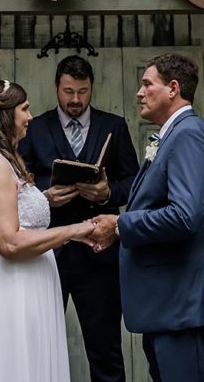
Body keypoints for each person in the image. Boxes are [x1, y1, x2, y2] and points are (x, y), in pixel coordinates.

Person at [90, 53, 204, 382]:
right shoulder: (171, 136)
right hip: (170, 305)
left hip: (187, 303)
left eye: (146, 84)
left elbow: (185, 216)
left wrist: (119, 225)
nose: (139, 93)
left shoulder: (188, 135)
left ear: (172, 88)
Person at [0, 78, 97, 382]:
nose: (30, 117)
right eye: (25, 109)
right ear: (6, 115)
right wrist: (74, 230)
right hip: (11, 290)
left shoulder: (5, 160)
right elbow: (10, 242)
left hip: (27, 286)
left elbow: (10, 212)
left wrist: (43, 200)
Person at [18, 55, 141, 382]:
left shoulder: (114, 126)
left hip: (99, 255)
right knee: (38, 346)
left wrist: (106, 193)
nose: (75, 100)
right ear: (57, 87)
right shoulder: (35, 127)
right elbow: (18, 183)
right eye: (68, 91)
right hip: (46, 255)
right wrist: (44, 195)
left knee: (106, 351)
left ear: (91, 89)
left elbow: (133, 183)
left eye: (82, 92)